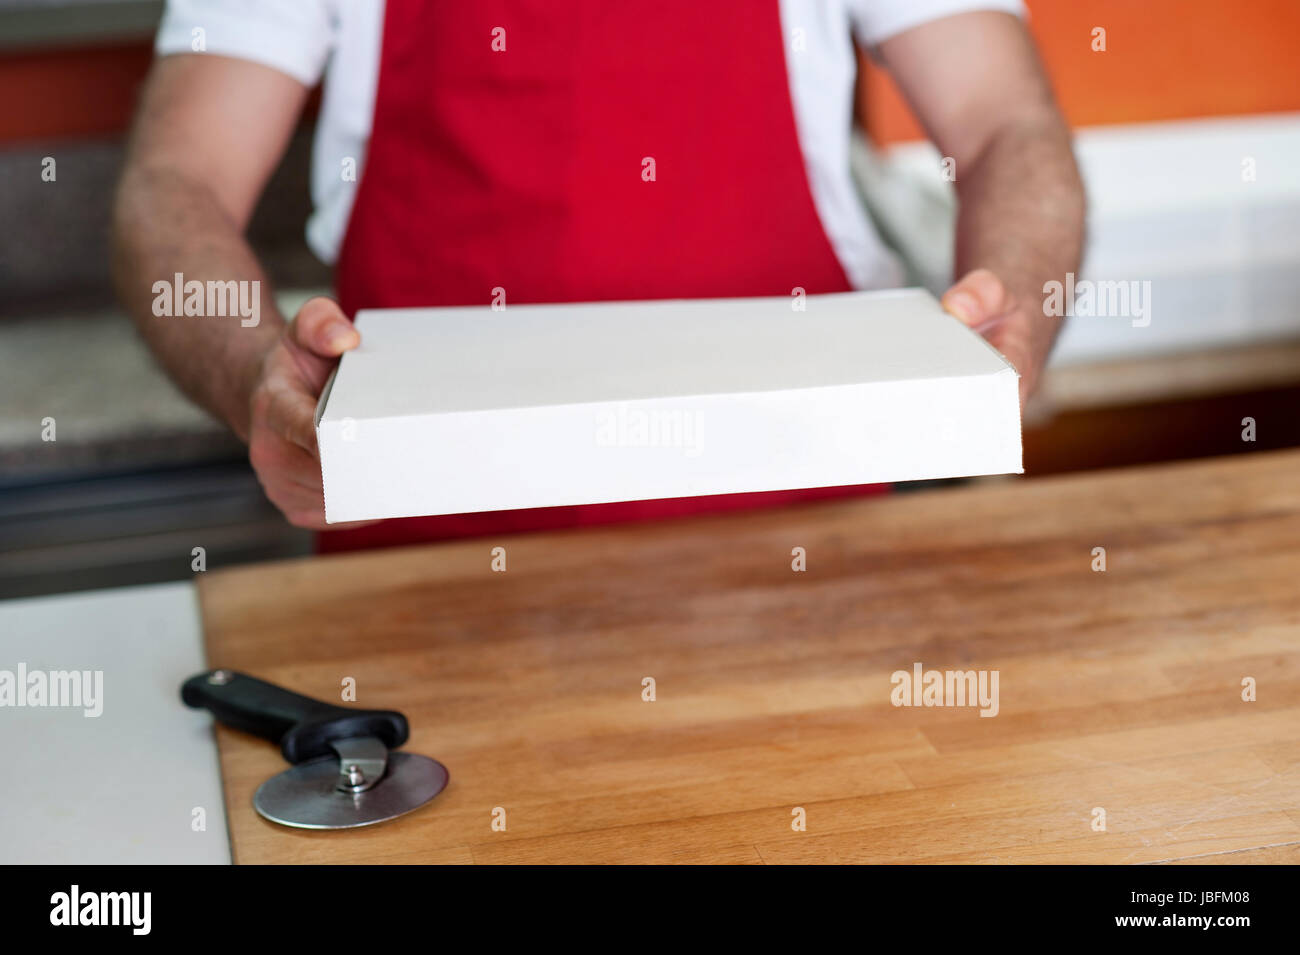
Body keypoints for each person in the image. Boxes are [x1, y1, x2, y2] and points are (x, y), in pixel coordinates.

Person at [112, 0, 1085, 550]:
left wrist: (1016, 312)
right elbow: (174, 179)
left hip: (800, 562)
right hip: (427, 575)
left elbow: (1007, 123)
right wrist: (254, 377)